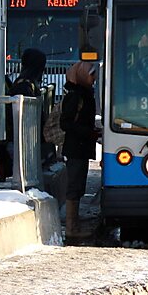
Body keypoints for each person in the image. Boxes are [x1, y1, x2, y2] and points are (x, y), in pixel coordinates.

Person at [60, 60, 97, 240]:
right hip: (76, 147)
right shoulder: (76, 96)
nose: (94, 77)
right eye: (91, 73)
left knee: (79, 186)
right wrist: (88, 132)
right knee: (74, 187)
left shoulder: (85, 93)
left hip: (81, 147)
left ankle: (74, 224)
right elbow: (65, 123)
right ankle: (71, 228)